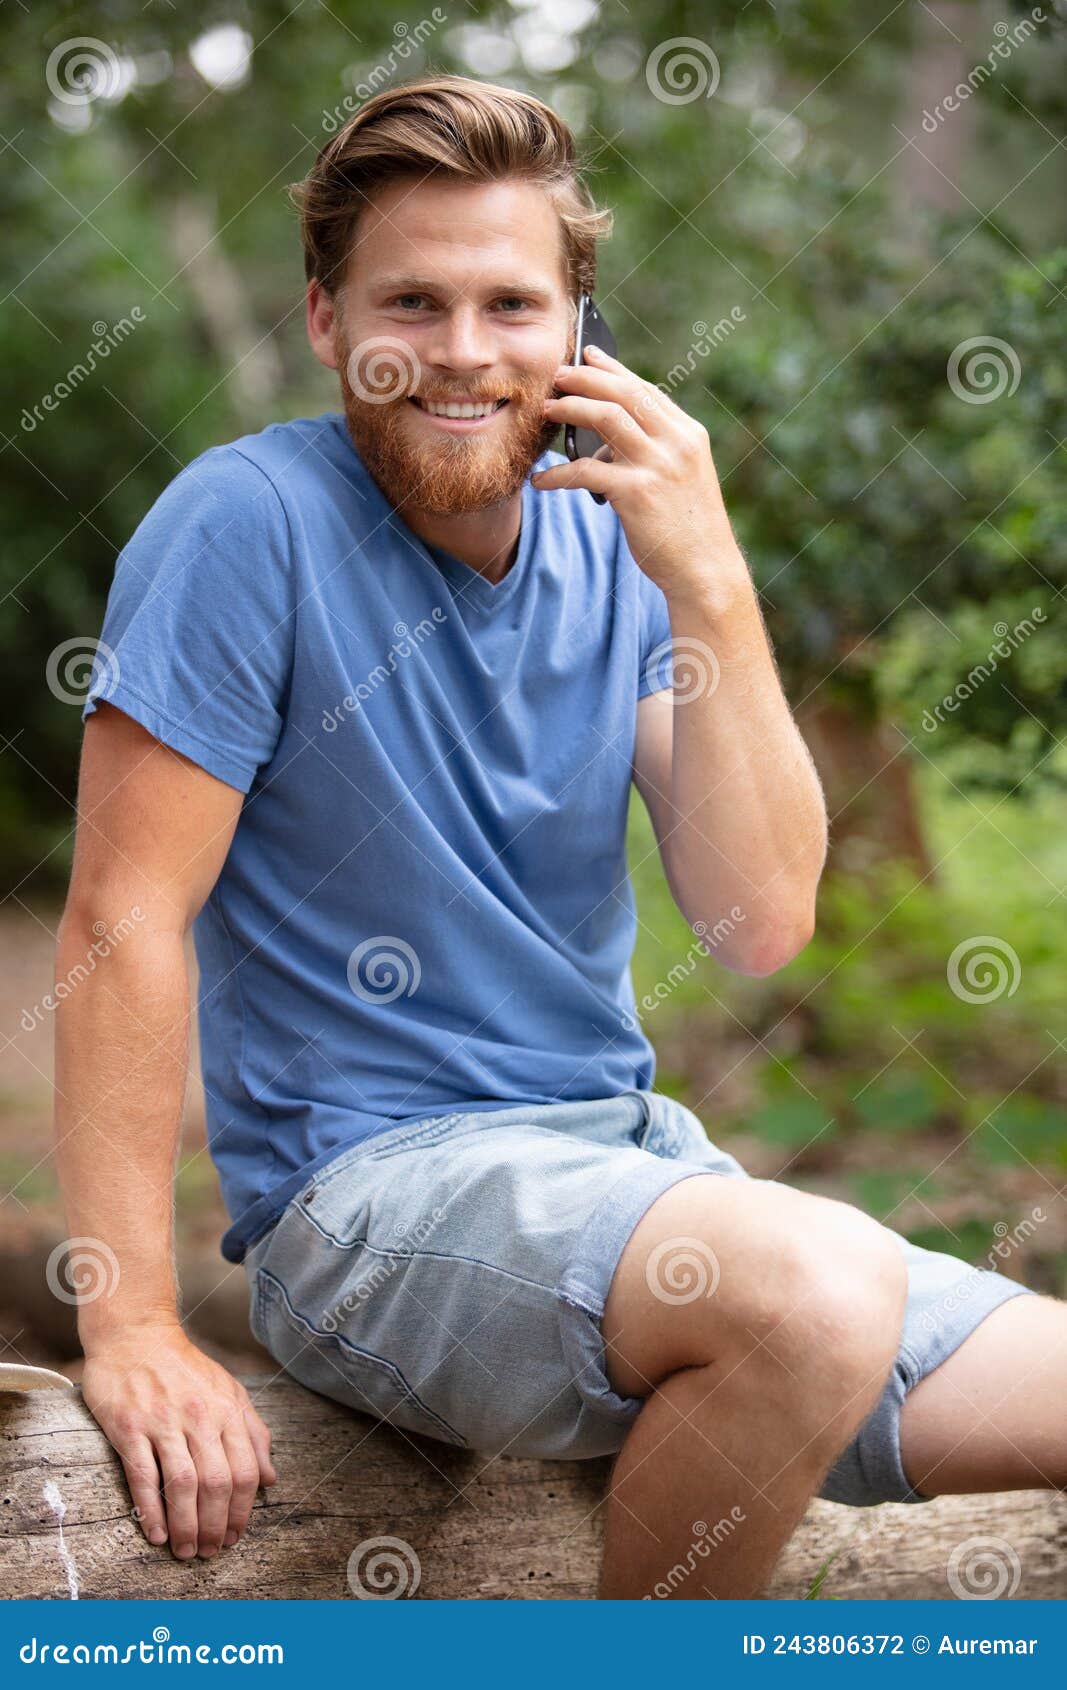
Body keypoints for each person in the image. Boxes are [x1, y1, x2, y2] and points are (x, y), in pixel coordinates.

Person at [55, 74, 1059, 1600]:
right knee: (815, 1287)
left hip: (629, 1166)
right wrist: (129, 1322)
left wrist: (713, 576)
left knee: (864, 1305)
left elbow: (761, 920)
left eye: (511, 303)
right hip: (370, 1201)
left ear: (581, 327)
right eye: (413, 301)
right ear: (327, 320)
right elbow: (121, 922)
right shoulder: (243, 524)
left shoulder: (623, 542)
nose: (462, 351)